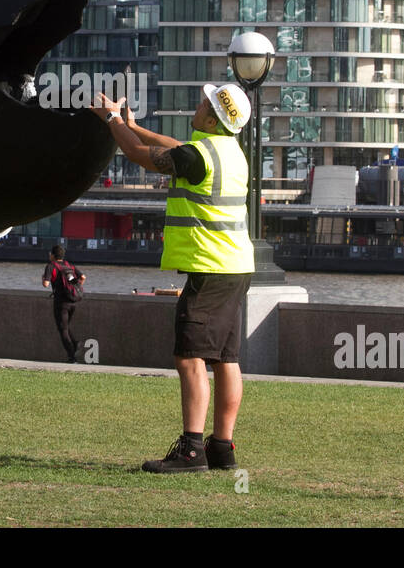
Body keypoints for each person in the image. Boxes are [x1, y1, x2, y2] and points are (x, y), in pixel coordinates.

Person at [92, 83, 254, 473]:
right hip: (235, 267)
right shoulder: (228, 151)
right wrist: (135, 124)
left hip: (210, 267)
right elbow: (172, 147)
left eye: (204, 105)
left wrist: (112, 119)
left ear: (213, 119)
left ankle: (192, 451)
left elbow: (137, 155)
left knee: (189, 355)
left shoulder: (200, 157)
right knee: (225, 358)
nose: (197, 108)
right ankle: (222, 448)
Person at [42, 245, 86, 363]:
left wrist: (43, 278)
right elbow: (82, 277)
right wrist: (76, 289)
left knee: (63, 330)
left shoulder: (51, 266)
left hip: (61, 303)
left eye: (50, 253)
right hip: (73, 302)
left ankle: (72, 357)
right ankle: (75, 344)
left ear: (53, 255)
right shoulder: (69, 265)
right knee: (65, 327)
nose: (49, 255)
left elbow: (46, 284)